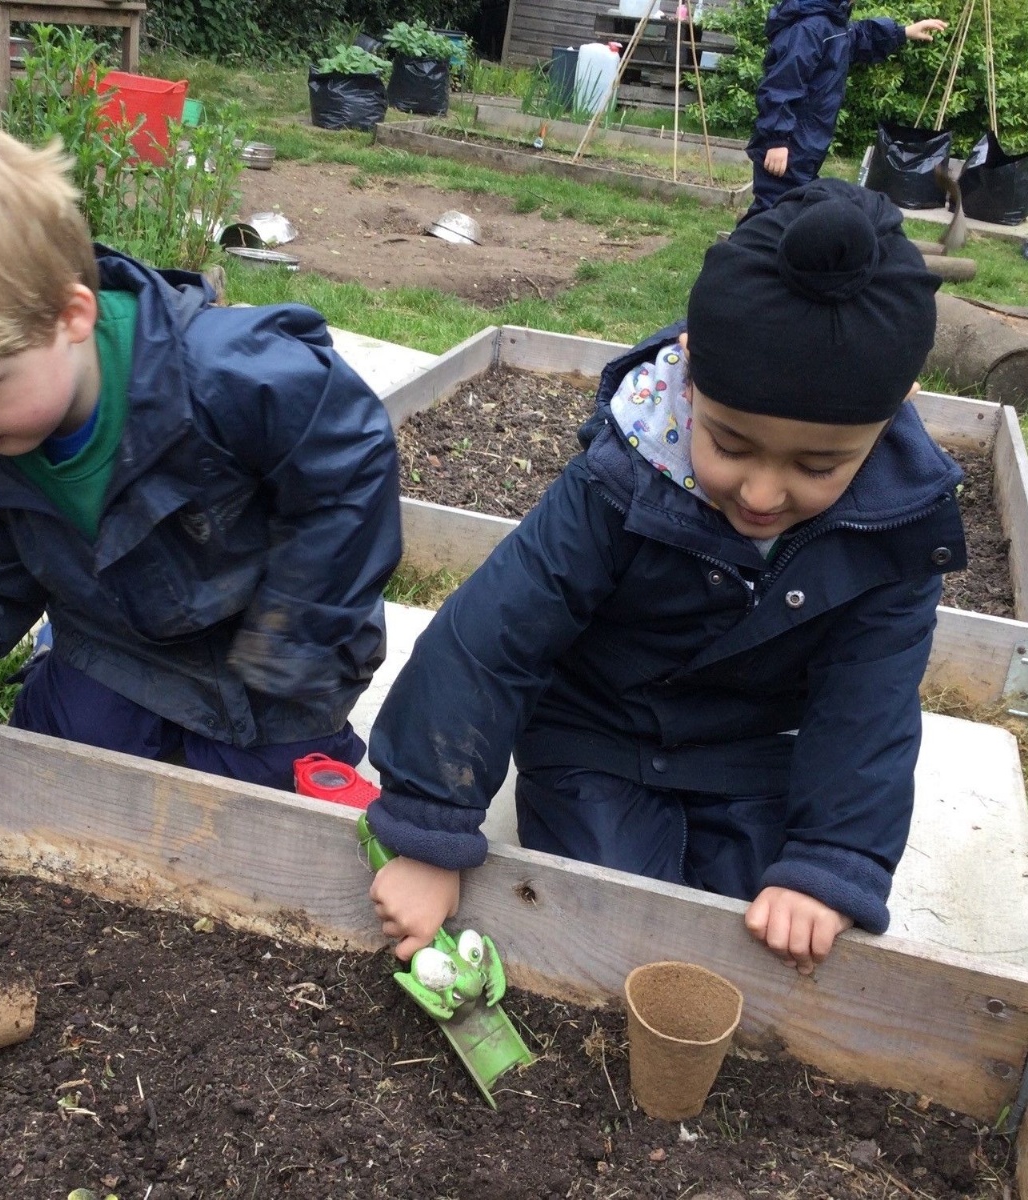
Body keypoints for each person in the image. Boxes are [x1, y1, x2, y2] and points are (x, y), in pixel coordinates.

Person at [365, 178, 965, 976]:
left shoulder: (899, 528)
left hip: (754, 749)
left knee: (751, 934)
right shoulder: (619, 479)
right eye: (732, 445)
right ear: (687, 374)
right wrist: (427, 831)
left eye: (818, 466)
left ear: (897, 412)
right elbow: (493, 638)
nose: (760, 493)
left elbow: (869, 700)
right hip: (597, 734)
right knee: (612, 920)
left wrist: (829, 859)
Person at [0, 118, 402, 791]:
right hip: (111, 642)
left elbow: (348, 476)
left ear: (72, 316)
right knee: (54, 778)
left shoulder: (229, 377)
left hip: (263, 653)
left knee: (259, 800)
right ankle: (59, 665)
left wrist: (298, 636)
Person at [744, 0, 947, 218]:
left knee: (789, 216)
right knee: (771, 215)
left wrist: (903, 32)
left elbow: (858, 38)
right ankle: (740, 251)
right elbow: (782, 84)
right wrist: (777, 141)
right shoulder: (809, 28)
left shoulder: (832, 22)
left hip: (806, 145)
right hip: (789, 147)